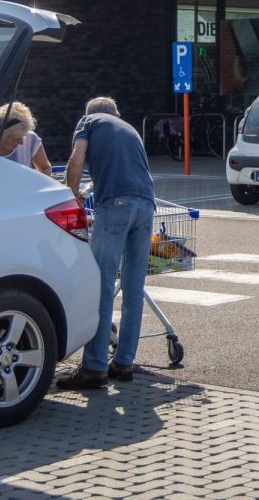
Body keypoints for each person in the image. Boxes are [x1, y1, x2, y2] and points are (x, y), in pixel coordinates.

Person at [55, 96, 157, 390]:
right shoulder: (129, 129)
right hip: (146, 206)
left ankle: (94, 367)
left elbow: (76, 160)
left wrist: (70, 196)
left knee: (101, 286)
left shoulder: (88, 122)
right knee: (134, 289)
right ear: (117, 113)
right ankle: (124, 363)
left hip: (115, 206)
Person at [0, 102, 52, 176]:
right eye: (16, 139)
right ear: (1, 136)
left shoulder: (31, 139)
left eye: (24, 136)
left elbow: (45, 168)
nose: (22, 142)